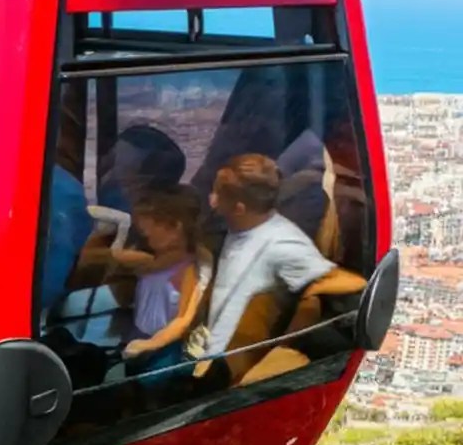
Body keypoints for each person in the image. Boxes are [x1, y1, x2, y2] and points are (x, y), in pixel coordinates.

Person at [196, 154, 362, 369]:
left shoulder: (283, 244)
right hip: (206, 353)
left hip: (226, 366)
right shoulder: (237, 227)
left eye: (218, 194)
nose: (212, 200)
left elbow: (349, 283)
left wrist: (284, 346)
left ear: (239, 208)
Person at [110, 186, 210, 376]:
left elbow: (183, 319)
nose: (144, 235)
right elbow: (118, 258)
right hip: (137, 335)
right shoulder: (153, 262)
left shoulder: (188, 269)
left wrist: (152, 344)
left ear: (175, 228)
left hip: (164, 347)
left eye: (148, 231)